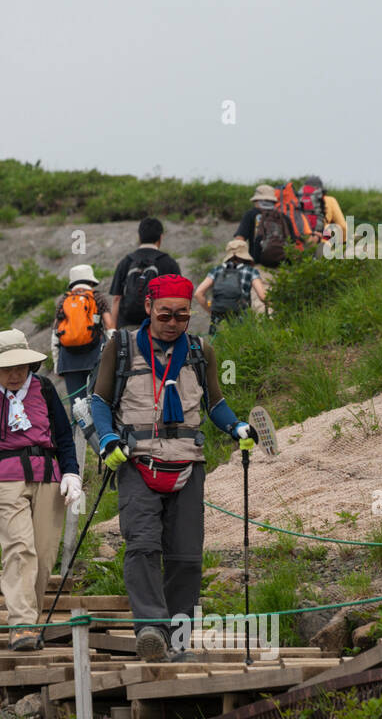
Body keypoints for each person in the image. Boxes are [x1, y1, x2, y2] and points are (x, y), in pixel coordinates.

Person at [87, 273, 256, 662]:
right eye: (165, 315)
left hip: (187, 464)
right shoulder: (122, 346)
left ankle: (178, 640)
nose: (173, 323)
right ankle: (150, 629)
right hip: (136, 460)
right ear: (148, 308)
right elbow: (99, 400)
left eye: (182, 316)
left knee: (186, 557)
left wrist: (237, 426)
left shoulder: (201, 351)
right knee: (143, 547)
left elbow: (215, 404)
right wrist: (108, 439)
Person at [0, 330, 82, 650]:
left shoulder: (45, 389)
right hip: (3, 478)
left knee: (44, 553)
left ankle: (30, 623)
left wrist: (72, 473)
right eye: (6, 367)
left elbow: (64, 438)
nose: (14, 374)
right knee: (20, 548)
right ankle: (22, 624)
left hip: (49, 476)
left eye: (20, 366)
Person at [50, 264, 109, 406]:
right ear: (91, 281)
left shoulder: (64, 300)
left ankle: (79, 428)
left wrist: (57, 363)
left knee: (78, 406)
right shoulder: (97, 297)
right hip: (96, 357)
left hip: (69, 361)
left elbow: (55, 333)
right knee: (100, 401)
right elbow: (110, 325)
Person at [108, 217, 181, 330]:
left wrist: (112, 329)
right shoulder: (169, 263)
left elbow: (116, 298)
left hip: (127, 328)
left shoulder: (126, 262)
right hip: (159, 328)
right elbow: (178, 299)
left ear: (139, 237)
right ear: (160, 238)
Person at [194, 239, 269, 332]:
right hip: (242, 320)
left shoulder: (217, 270)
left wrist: (211, 312)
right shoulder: (251, 271)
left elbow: (198, 294)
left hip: (218, 321)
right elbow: (263, 296)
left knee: (217, 345)